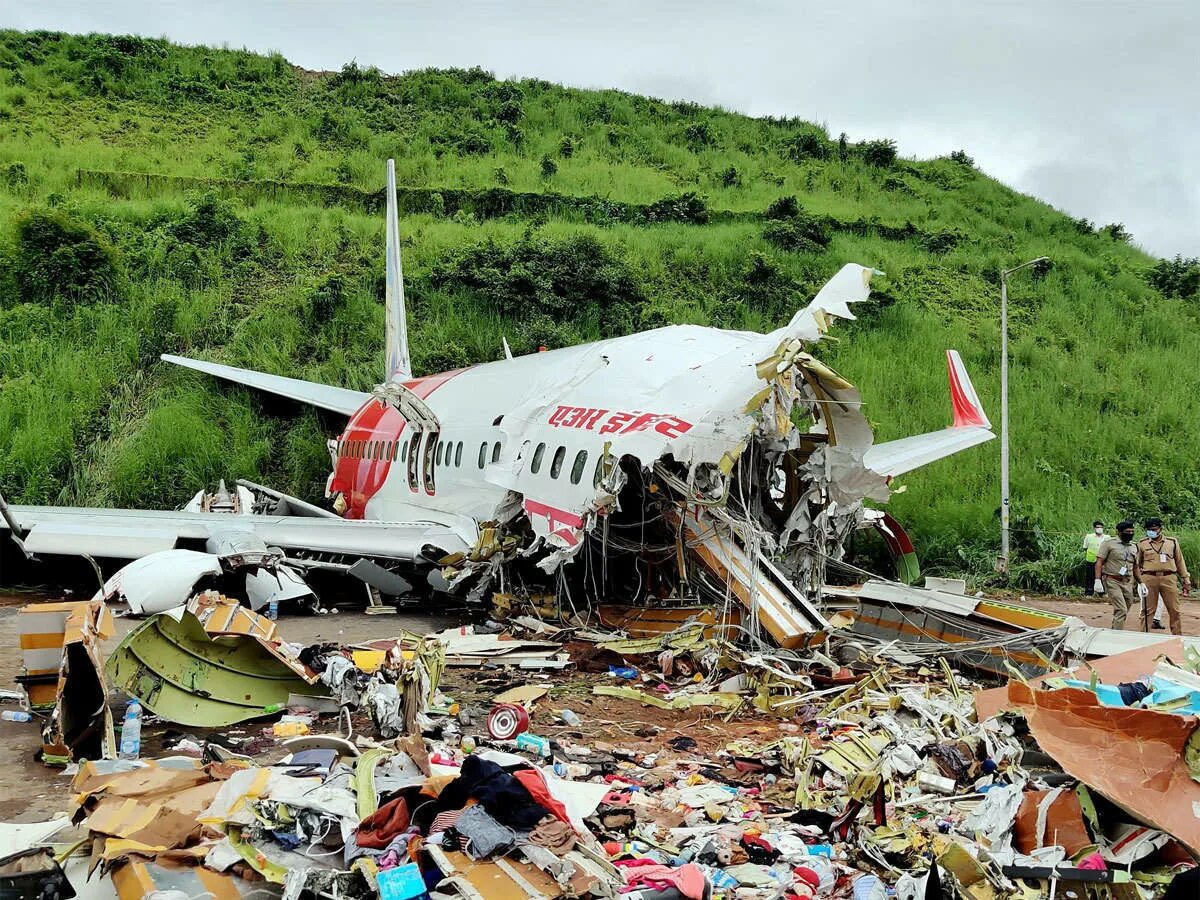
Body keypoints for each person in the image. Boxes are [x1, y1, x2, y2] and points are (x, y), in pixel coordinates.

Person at [1135, 517, 1191, 635]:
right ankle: (1144, 635)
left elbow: (1179, 561)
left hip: (1169, 577)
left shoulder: (1171, 542)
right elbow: (1137, 564)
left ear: (1160, 529)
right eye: (1149, 529)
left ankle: (1177, 636)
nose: (1152, 531)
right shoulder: (1142, 544)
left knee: (1174, 609)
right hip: (1149, 578)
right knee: (1147, 610)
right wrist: (1138, 581)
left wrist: (1186, 579)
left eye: (1154, 529)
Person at [1094, 521, 1138, 630]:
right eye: (1127, 532)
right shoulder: (1109, 544)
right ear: (1119, 532)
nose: (1130, 534)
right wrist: (1097, 580)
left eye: (1132, 532)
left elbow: (1135, 566)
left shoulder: (1134, 546)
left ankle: (1115, 628)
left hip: (1127, 581)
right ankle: (1117, 633)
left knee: (1126, 606)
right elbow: (1099, 561)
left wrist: (1141, 583)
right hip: (1112, 580)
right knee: (1121, 609)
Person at [1080, 520, 1109, 595]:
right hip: (1091, 560)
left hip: (1103, 561)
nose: (1099, 529)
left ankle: (1102, 593)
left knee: (1102, 577)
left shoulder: (1107, 537)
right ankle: (1089, 593)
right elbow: (1085, 547)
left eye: (1101, 527)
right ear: (1094, 528)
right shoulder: (1089, 536)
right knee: (1090, 576)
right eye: (1098, 527)